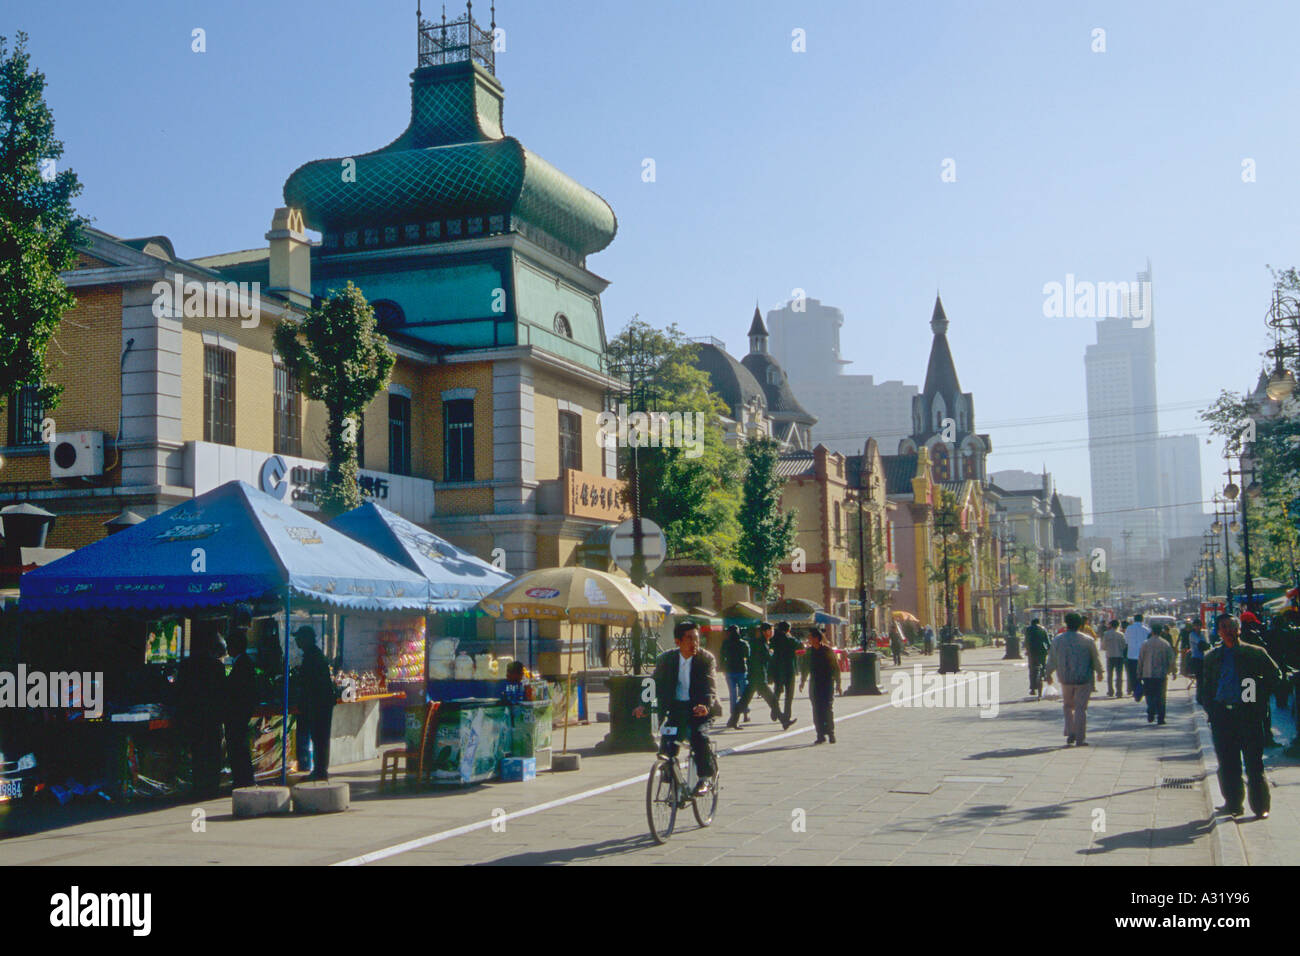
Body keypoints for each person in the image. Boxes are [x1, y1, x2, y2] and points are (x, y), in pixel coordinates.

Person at [1198, 614, 1282, 818]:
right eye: (1223, 627)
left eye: (1231, 627)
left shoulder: (1254, 653)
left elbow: (1276, 676)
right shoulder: (1212, 657)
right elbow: (1205, 687)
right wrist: (1212, 710)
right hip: (1222, 717)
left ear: (1239, 629)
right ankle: (1234, 803)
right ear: (1218, 631)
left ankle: (1261, 806)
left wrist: (1257, 694)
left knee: (1254, 764)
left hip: (1248, 715)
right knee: (1228, 763)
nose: (1228, 630)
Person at [637, 620, 719, 796]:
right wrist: (642, 705)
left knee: (698, 736)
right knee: (667, 741)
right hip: (676, 709)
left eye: (696, 639)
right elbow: (654, 683)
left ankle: (705, 777)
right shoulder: (666, 659)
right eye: (689, 639)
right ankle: (672, 779)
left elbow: (709, 686)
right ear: (678, 641)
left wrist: (705, 705)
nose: (694, 643)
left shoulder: (705, 659)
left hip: (699, 709)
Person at [175, 630, 226, 799]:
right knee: (213, 754)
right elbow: (222, 693)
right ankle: (212, 787)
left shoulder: (186, 665)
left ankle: (199, 787)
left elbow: (179, 691)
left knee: (198, 754)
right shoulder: (217, 666)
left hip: (194, 717)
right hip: (212, 718)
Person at [1044, 611, 1105, 746]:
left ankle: (1070, 732)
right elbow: (1095, 658)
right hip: (1084, 678)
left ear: (1066, 624)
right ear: (1080, 624)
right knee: (1081, 708)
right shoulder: (1087, 640)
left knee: (1067, 706)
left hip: (1065, 678)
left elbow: (1052, 659)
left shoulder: (1058, 639)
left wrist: (1048, 674)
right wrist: (1100, 672)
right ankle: (1080, 737)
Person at [294, 626, 337, 781]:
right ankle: (319, 770)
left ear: (306, 639)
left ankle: (320, 771)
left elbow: (310, 683)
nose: (297, 641)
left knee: (320, 738)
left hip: (319, 705)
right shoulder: (312, 655)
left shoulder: (314, 656)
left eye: (299, 638)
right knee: (318, 738)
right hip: (319, 704)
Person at [734, 622, 793, 728]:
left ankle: (732, 721)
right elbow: (765, 658)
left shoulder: (763, 642)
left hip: (756, 677)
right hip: (758, 677)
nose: (772, 632)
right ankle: (784, 721)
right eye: (770, 630)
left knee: (745, 700)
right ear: (765, 632)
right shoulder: (760, 643)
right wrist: (771, 653)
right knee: (772, 701)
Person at [225, 608, 258, 789]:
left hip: (238, 713)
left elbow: (238, 690)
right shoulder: (243, 663)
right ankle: (243, 778)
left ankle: (243, 779)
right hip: (240, 712)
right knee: (239, 747)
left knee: (238, 747)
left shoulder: (242, 665)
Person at [1137, 622, 1178, 725]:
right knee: (1161, 696)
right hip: (1161, 674)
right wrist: (1174, 671)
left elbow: (1140, 660)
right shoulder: (1165, 644)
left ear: (1152, 631)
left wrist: (1139, 673)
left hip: (1147, 674)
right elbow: (1171, 659)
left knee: (1149, 694)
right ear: (1161, 632)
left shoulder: (1145, 643)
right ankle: (1161, 718)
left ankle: (1151, 709)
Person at [805, 628, 838, 744]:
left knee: (827, 708)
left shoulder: (827, 651)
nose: (809, 639)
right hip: (815, 684)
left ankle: (831, 733)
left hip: (827, 683)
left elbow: (835, 667)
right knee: (817, 710)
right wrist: (802, 681)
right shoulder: (809, 652)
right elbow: (806, 667)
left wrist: (838, 684)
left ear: (816, 638)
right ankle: (820, 734)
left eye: (810, 637)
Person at [768, 621, 801, 726]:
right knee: (789, 695)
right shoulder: (790, 640)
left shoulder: (774, 639)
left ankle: (774, 711)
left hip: (777, 669)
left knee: (777, 691)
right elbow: (800, 646)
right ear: (788, 630)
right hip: (789, 669)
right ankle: (787, 716)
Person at [720, 625, 751, 729]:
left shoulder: (725, 643)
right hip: (741, 670)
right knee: (744, 694)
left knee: (733, 695)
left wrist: (723, 668)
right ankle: (745, 713)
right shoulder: (743, 643)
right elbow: (748, 656)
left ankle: (734, 715)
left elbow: (721, 657)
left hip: (729, 671)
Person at [1123, 614, 1151, 700]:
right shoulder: (1147, 629)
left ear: (1134, 620)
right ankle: (1144, 689)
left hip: (1131, 655)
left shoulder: (1129, 628)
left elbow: (1126, 641)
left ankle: (1136, 690)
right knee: (1144, 674)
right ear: (1142, 620)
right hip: (1143, 656)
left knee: (1133, 674)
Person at [1023, 618, 1051, 699]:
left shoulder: (1028, 629)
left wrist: (1027, 650)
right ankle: (1043, 674)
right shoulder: (1043, 629)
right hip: (1042, 651)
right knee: (1043, 664)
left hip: (1032, 651)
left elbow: (1026, 641)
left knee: (1032, 669)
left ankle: (1032, 688)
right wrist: (1049, 649)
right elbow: (1047, 641)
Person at [1101, 619, 1127, 697]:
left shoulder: (1106, 634)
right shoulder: (1121, 634)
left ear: (1111, 625)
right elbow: (1124, 646)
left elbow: (1103, 646)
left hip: (1110, 656)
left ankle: (1110, 691)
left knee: (1110, 675)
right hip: (1119, 656)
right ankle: (1119, 691)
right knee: (1119, 675)